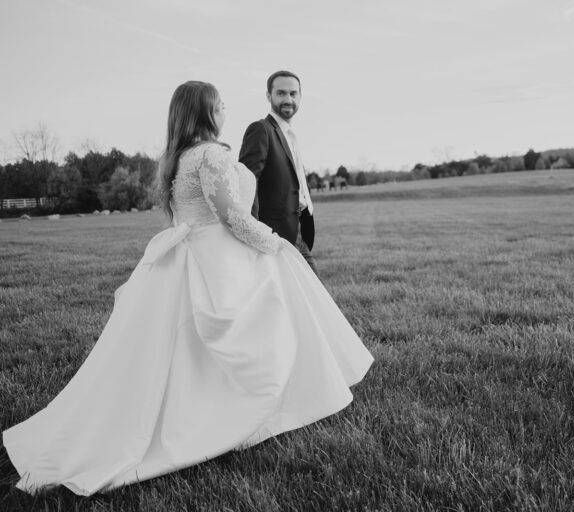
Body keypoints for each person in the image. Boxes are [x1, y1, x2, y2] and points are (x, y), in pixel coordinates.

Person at [2, 81, 373, 496]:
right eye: (220, 104)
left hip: (191, 251)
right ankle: (247, 410)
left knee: (186, 348)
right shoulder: (212, 154)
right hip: (217, 255)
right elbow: (230, 216)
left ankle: (192, 408)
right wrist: (274, 242)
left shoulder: (178, 157)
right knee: (263, 321)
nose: (225, 110)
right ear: (206, 112)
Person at [239, 70, 317, 274]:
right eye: (281, 93)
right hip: (274, 235)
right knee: (315, 296)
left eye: (293, 93)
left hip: (296, 229)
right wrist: (255, 234)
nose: (288, 99)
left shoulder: (290, 135)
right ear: (268, 96)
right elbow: (247, 184)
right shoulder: (261, 130)